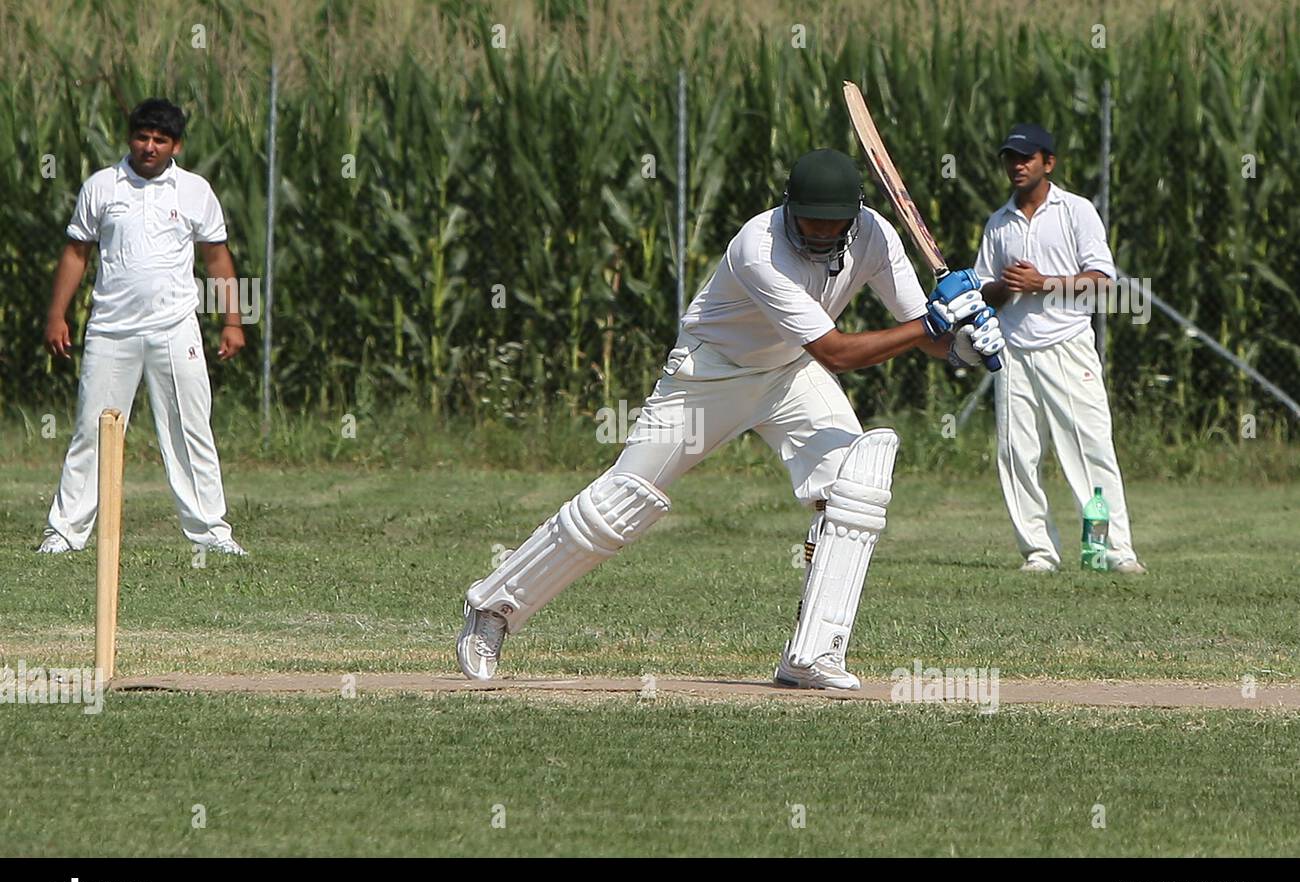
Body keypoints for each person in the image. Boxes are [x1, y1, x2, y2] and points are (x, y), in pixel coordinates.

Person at [457, 148, 1005, 690]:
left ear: (855, 216)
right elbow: (839, 352)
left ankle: (812, 654)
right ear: (787, 207)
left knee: (851, 490)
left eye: (831, 223)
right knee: (621, 503)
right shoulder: (758, 246)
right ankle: (493, 608)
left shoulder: (876, 236)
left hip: (791, 374)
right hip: (711, 371)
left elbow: (920, 333)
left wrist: (963, 344)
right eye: (807, 219)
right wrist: (935, 325)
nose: (817, 231)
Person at [38, 98, 248, 556]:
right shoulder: (102, 187)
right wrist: (56, 314)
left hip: (176, 329)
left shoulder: (194, 191)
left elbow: (217, 258)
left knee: (189, 428)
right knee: (94, 429)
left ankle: (211, 535)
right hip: (112, 329)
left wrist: (233, 320)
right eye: (142, 137)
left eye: (160, 140)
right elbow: (77, 252)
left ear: (176, 144)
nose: (149, 147)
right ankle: (65, 533)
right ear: (130, 138)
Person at [974, 123, 1144, 574]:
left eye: (1027, 157)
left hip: (1067, 346)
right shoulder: (998, 223)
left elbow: (1101, 283)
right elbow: (983, 290)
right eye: (1011, 157)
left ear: (1048, 163)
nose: (1017, 165)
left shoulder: (1076, 211)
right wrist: (1003, 290)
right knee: (1016, 453)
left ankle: (1114, 551)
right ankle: (1039, 551)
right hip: (1012, 352)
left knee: (1089, 448)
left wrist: (1041, 283)